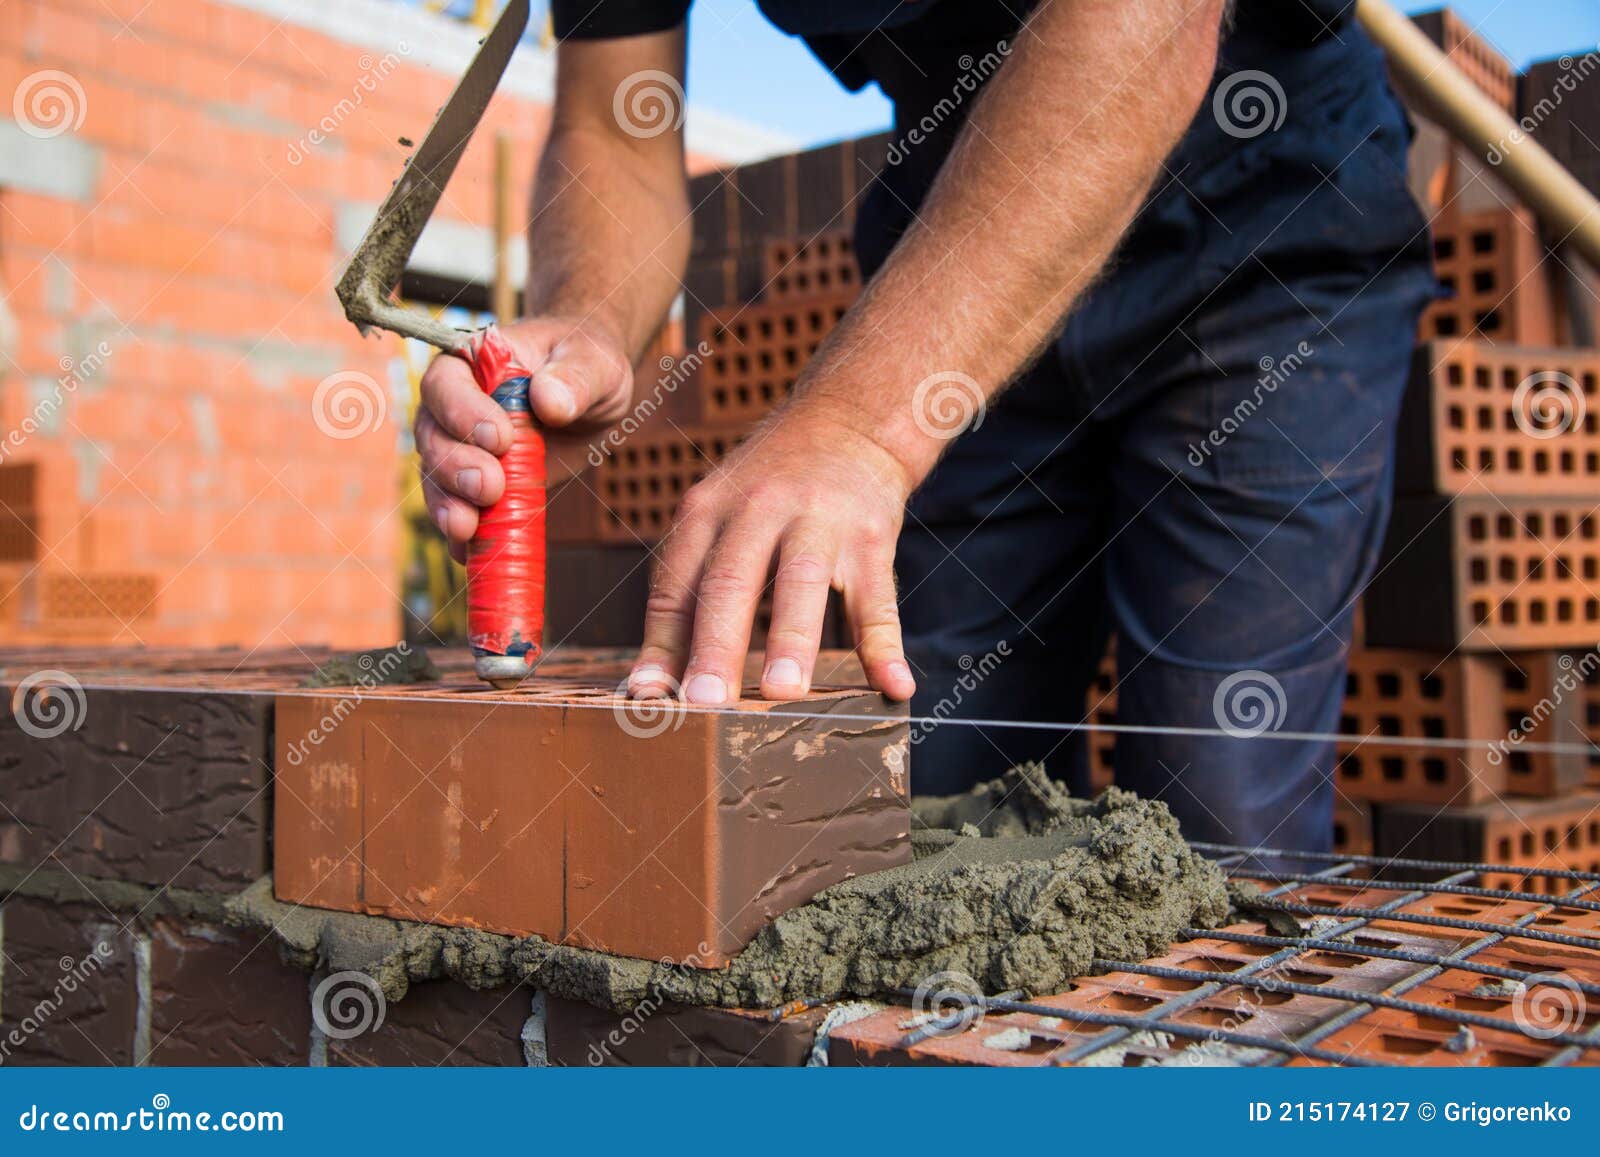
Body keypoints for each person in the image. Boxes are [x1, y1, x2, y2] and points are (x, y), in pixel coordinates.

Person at [414, 0, 1437, 851]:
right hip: (957, 258)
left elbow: (1146, 17)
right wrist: (592, 324)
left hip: (1260, 236)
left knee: (1216, 804)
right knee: (939, 792)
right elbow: (617, 126)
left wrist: (860, 424)